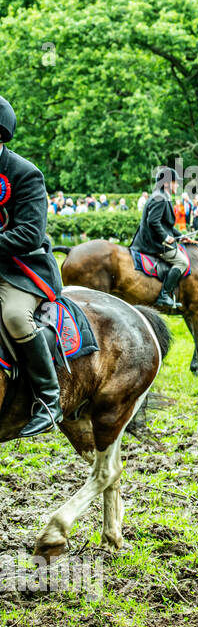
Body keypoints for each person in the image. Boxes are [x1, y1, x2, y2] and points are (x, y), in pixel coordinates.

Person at [0, 95, 64, 437]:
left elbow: (29, 234)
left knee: (13, 316)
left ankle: (48, 400)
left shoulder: (25, 174)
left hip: (22, 269)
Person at [130, 166, 189, 312]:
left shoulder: (161, 196)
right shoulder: (160, 199)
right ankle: (164, 294)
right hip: (152, 243)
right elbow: (153, 222)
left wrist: (180, 236)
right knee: (182, 262)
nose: (177, 185)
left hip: (153, 238)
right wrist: (166, 237)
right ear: (167, 183)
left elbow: (165, 224)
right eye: (175, 182)